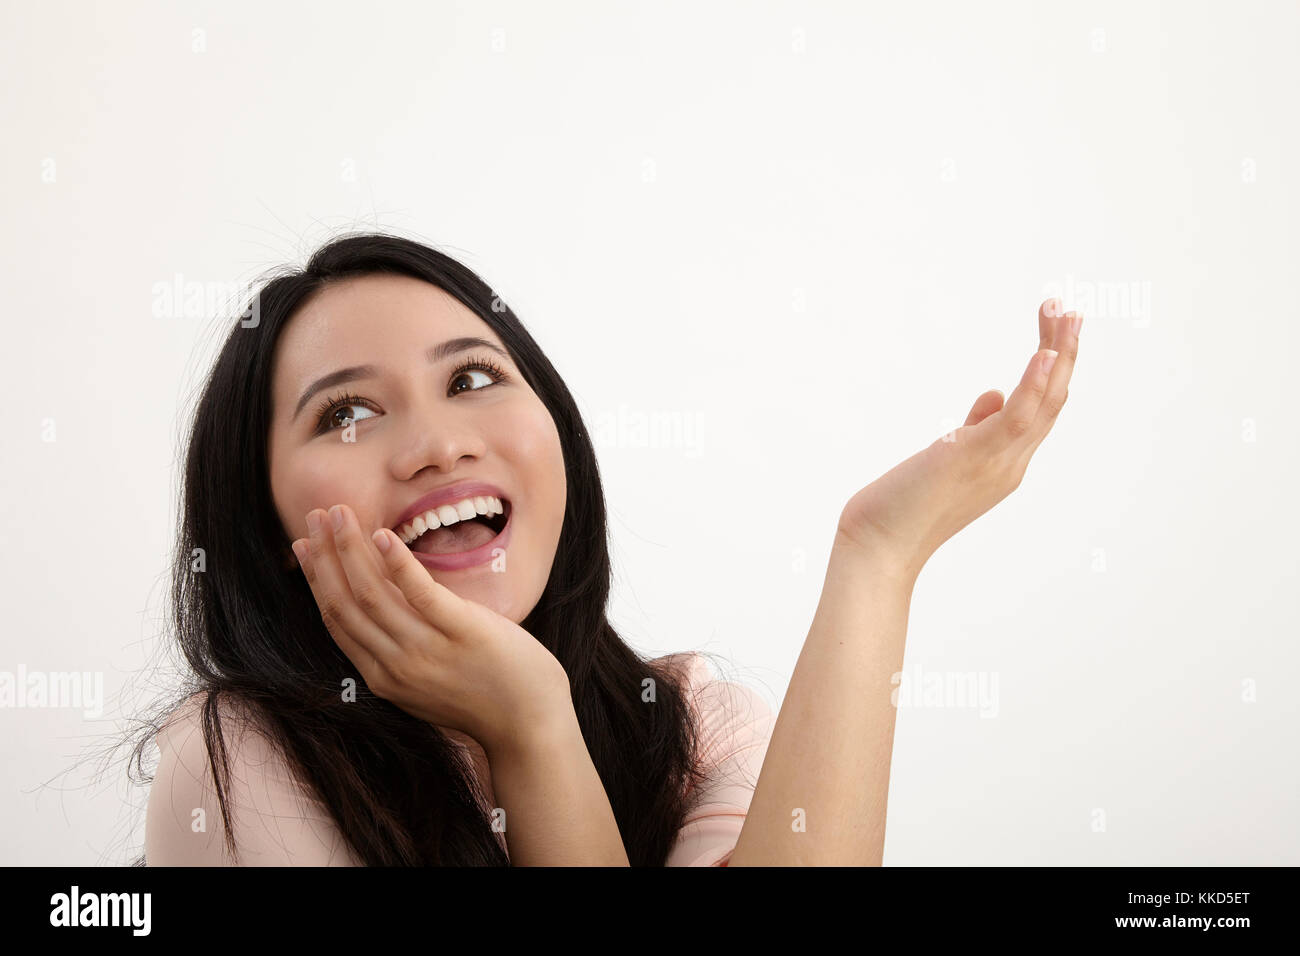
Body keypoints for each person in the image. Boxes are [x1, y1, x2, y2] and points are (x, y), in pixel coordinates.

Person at [140, 233, 1080, 866]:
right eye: (346, 412)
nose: (438, 443)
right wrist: (530, 726)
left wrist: (878, 557)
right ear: (261, 521)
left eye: (472, 377)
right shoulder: (235, 757)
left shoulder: (700, 723)